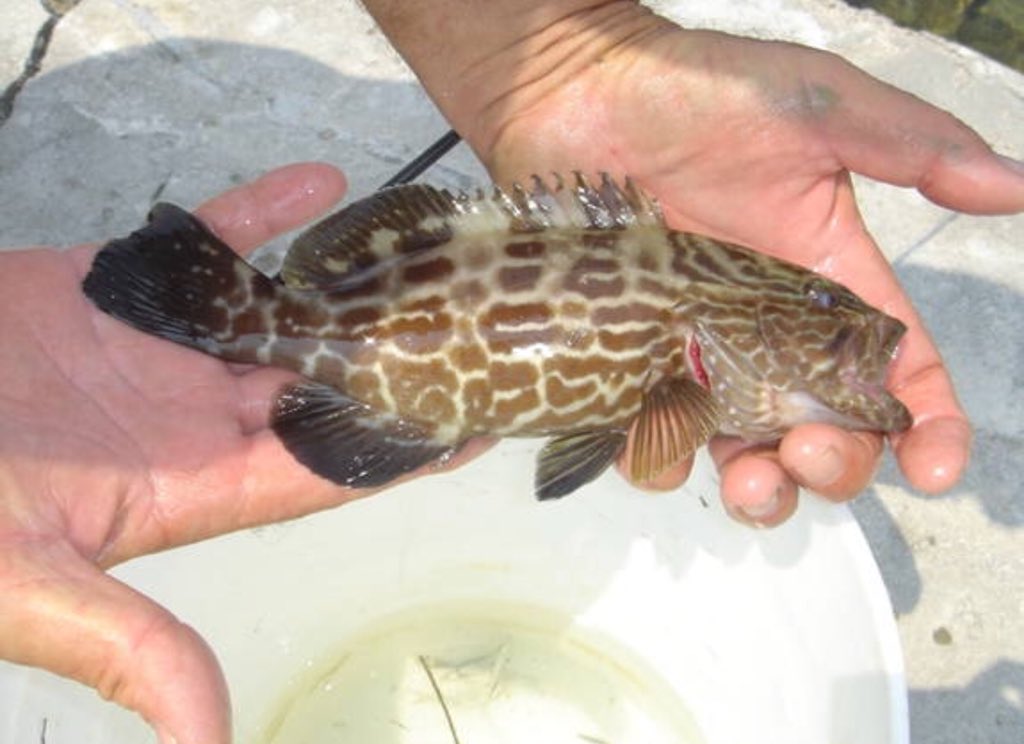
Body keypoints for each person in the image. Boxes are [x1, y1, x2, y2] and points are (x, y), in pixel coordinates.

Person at [0, 2, 1021, 743]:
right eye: (818, 307)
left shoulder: (691, 350)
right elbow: (645, 427)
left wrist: (555, 49)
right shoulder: (683, 363)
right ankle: (217, 311)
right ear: (724, 322)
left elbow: (630, 431)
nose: (854, 330)